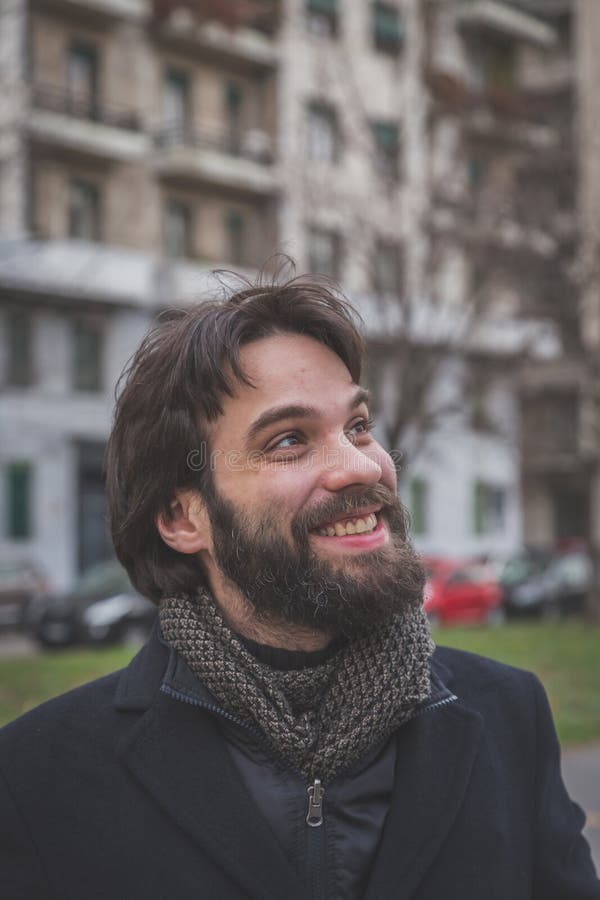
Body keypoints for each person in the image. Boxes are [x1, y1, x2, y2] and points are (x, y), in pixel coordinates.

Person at [1, 275, 599, 900]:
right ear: (183, 518)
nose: (362, 466)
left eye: (360, 425)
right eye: (288, 440)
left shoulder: (509, 716)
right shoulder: (37, 777)